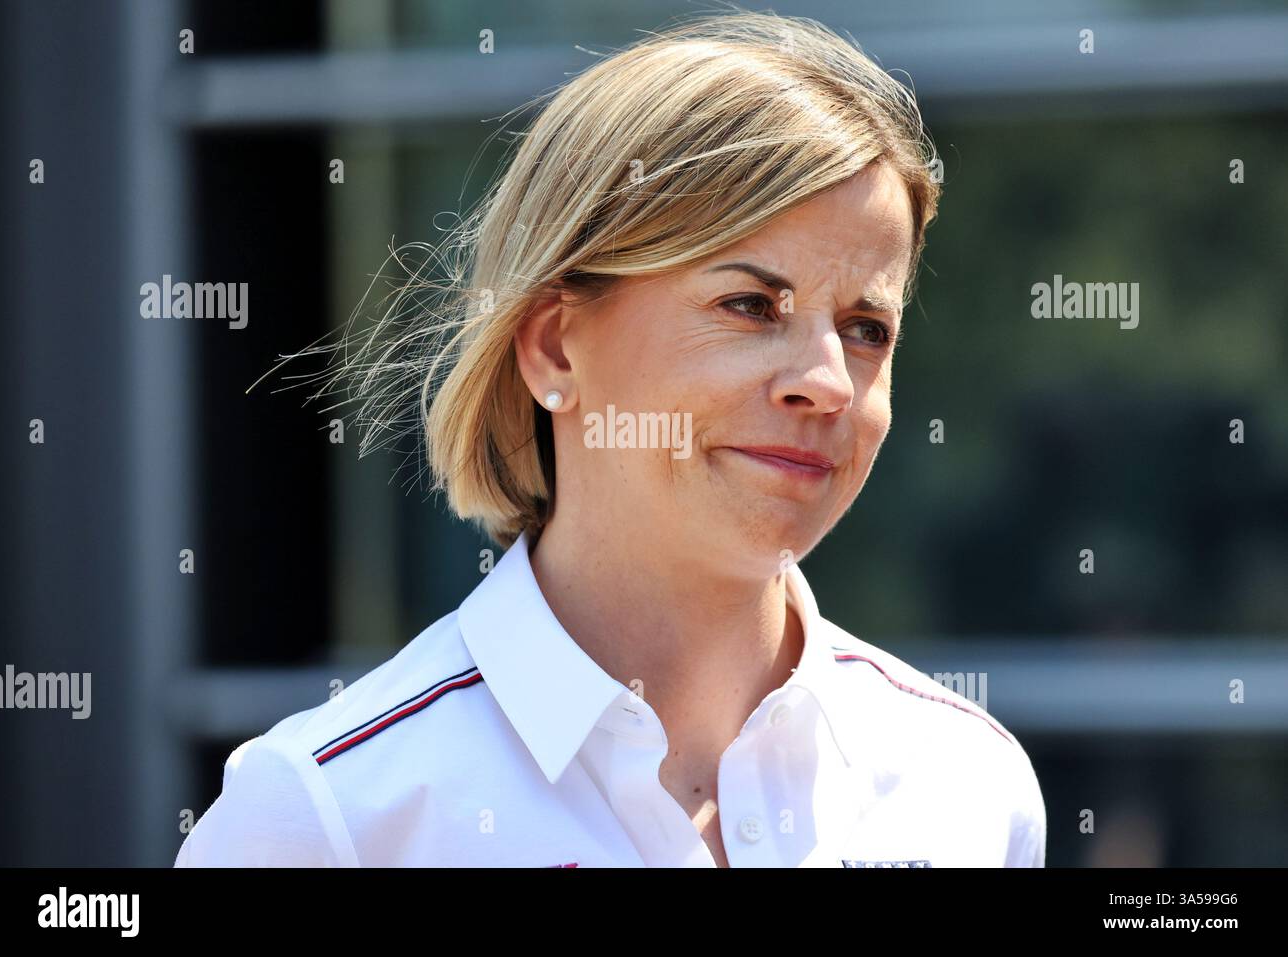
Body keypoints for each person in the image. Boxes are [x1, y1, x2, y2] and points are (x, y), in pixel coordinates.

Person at [176, 8, 1045, 868]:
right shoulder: (331, 814)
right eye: (748, 305)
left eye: (866, 328)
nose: (825, 382)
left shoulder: (968, 784)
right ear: (555, 345)